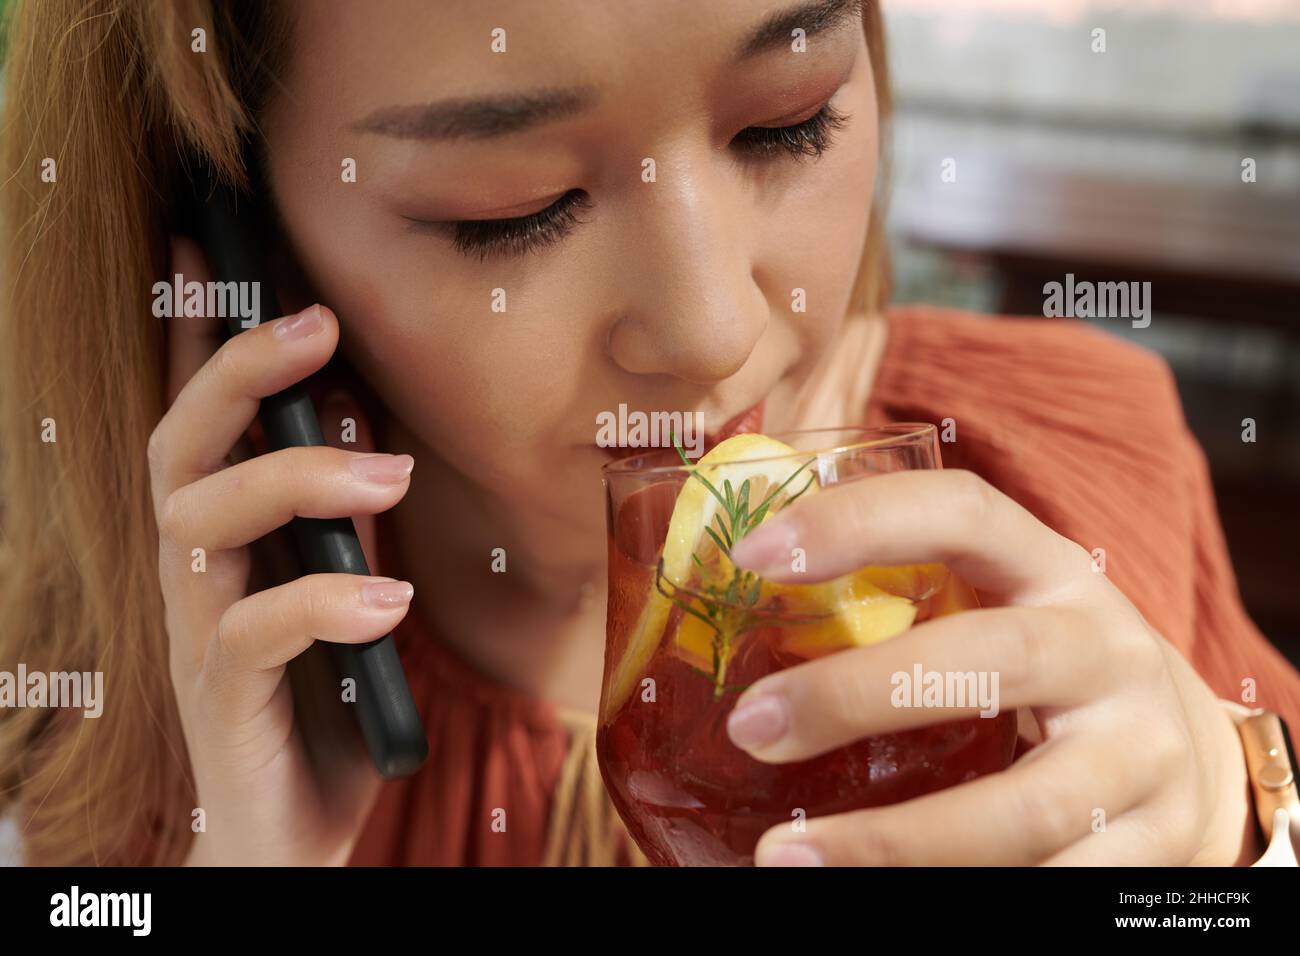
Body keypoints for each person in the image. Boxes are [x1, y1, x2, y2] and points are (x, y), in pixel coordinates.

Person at [1, 0, 1296, 867]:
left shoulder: (1080, 473)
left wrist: (1236, 831)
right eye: (510, 210)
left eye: (791, 118)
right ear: (240, 233)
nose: (712, 330)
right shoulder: (137, 683)